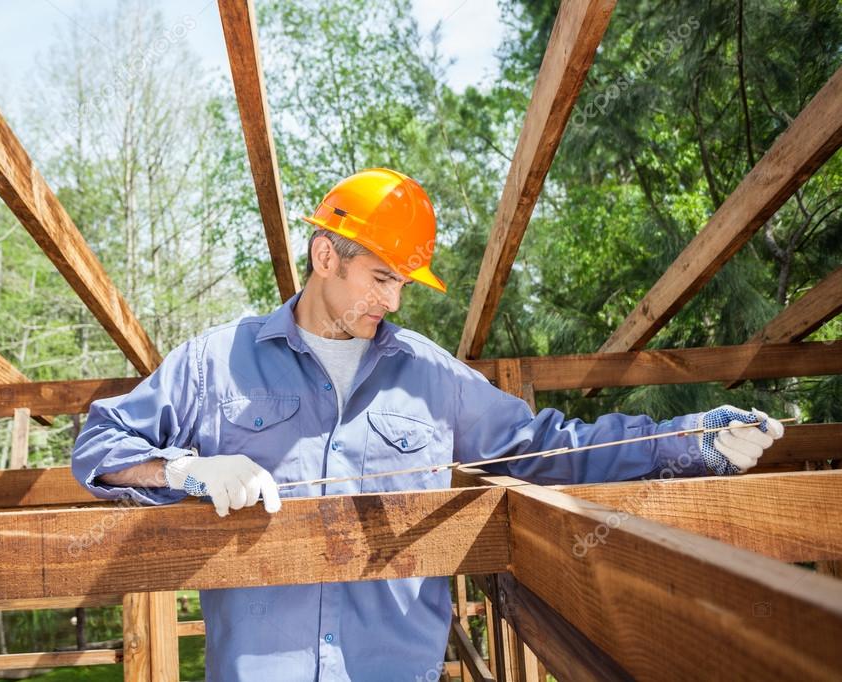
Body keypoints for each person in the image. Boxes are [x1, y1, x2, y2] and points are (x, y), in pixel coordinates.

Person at [72, 168, 784, 680]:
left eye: (404, 284)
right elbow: (100, 444)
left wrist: (692, 442)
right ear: (326, 256)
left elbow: (548, 450)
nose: (395, 299)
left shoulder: (433, 377)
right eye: (383, 278)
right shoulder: (214, 362)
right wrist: (185, 470)